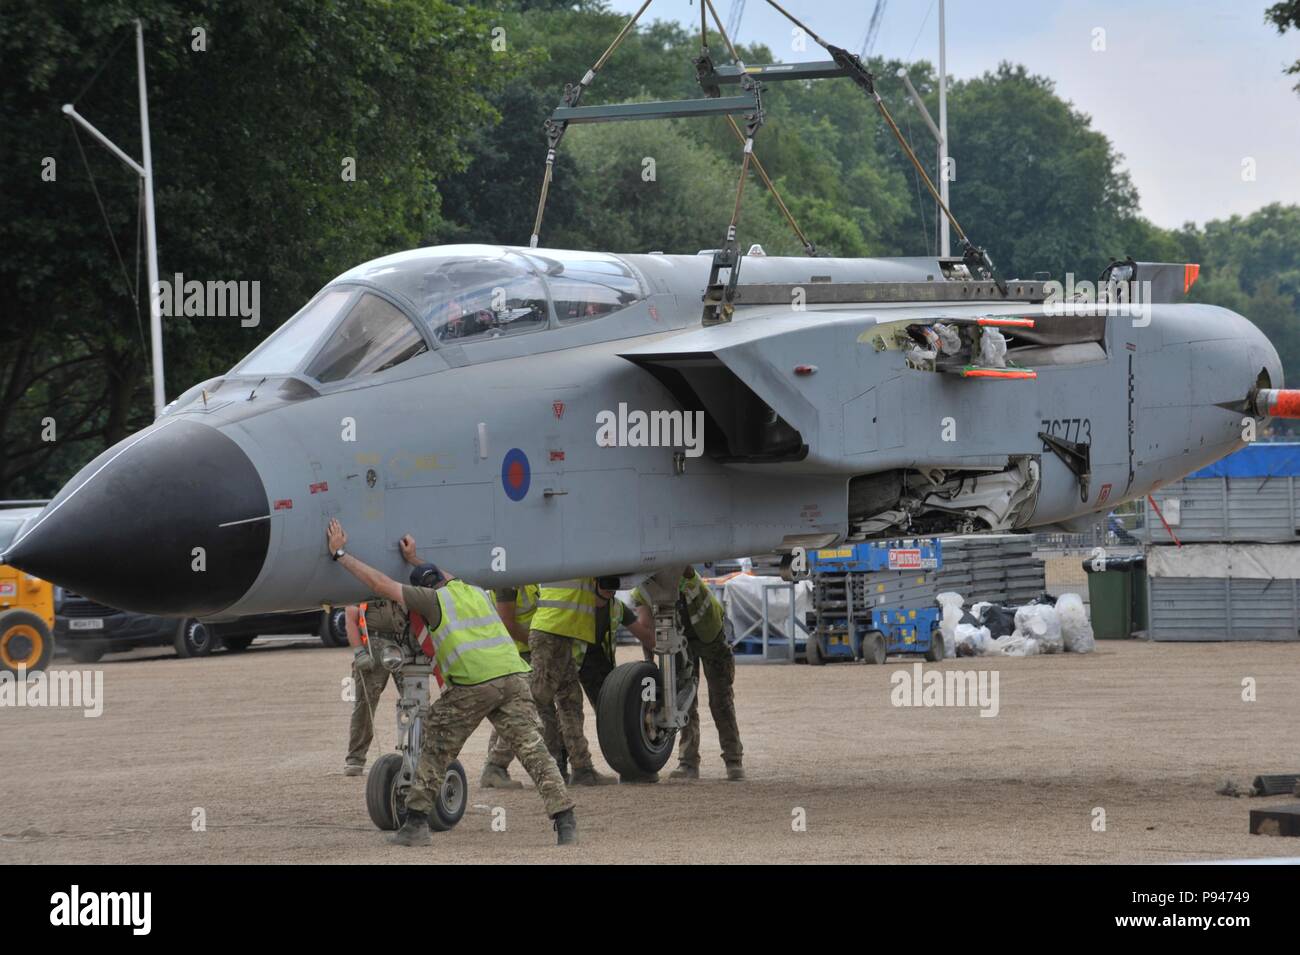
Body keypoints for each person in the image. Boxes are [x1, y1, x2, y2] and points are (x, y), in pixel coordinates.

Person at [325, 519, 577, 846]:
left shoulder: (433, 600)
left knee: (434, 745)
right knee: (533, 750)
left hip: (473, 683)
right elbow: (444, 574)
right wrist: (416, 559)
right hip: (514, 677)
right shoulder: (472, 590)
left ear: (425, 589)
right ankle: (565, 820)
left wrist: (340, 554)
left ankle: (415, 824)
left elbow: (380, 585)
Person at [631, 566, 744, 781]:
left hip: (710, 638)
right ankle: (688, 763)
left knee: (720, 700)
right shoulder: (642, 592)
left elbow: (685, 568)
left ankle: (733, 760)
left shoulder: (683, 574)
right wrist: (650, 663)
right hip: (681, 640)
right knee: (683, 702)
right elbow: (648, 629)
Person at [529, 579, 616, 786]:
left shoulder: (568, 560)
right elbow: (602, 594)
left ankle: (582, 768)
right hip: (553, 632)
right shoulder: (584, 557)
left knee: (571, 702)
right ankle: (497, 764)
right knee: (534, 699)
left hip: (561, 632)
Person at [480, 583, 541, 790]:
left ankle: (494, 769)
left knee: (508, 714)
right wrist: (535, 642)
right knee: (521, 713)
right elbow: (507, 622)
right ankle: (495, 766)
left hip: (519, 654)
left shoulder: (528, 580)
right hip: (514, 655)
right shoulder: (509, 581)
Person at [343, 600, 406, 776]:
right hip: (373, 643)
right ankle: (355, 758)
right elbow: (351, 617)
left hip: (402, 641)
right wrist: (359, 652)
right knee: (365, 705)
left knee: (415, 702)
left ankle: (419, 752)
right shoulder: (363, 586)